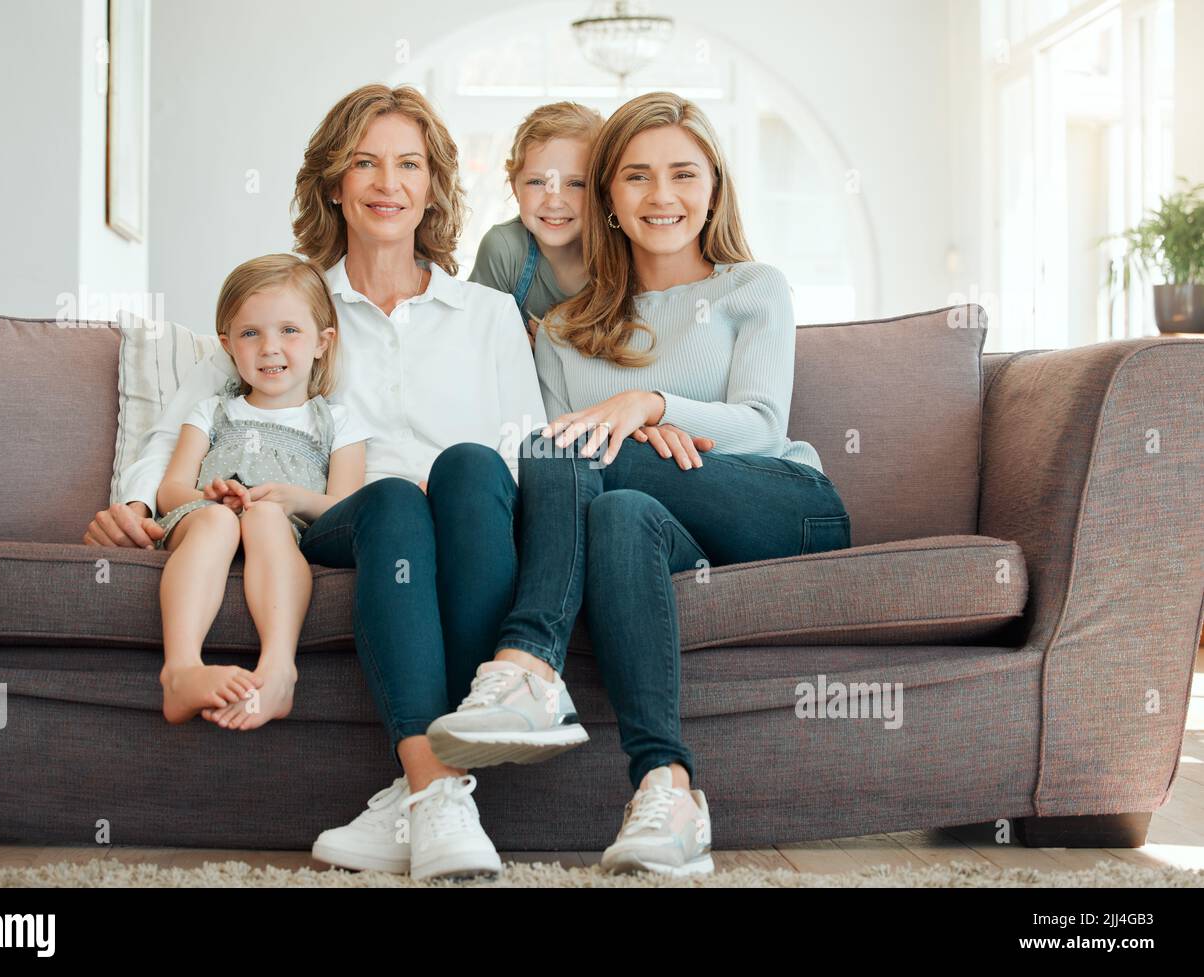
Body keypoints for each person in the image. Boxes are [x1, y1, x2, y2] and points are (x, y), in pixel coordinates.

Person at [87, 85, 547, 881]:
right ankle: (436, 787)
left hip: (469, 516)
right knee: (397, 498)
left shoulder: (487, 315)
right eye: (364, 163)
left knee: (470, 464)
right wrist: (135, 499)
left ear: (433, 185)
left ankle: (413, 791)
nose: (387, 182)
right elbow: (191, 414)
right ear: (334, 182)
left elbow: (524, 454)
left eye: (408, 164)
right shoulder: (291, 305)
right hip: (342, 515)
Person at [427, 91, 853, 877]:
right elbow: (567, 488)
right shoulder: (562, 331)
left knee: (586, 445)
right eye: (638, 178)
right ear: (610, 203)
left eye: (684, 175)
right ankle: (668, 787)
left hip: (780, 503)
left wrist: (647, 405)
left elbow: (759, 423)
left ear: (715, 187)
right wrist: (634, 445)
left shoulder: (752, 288)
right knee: (610, 500)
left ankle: (528, 662)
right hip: (658, 525)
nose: (663, 196)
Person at [155, 254, 369, 731]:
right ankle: (181, 670)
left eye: (289, 331)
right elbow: (169, 490)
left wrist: (292, 499)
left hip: (280, 531)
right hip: (205, 522)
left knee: (266, 517)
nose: (270, 348)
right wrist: (208, 499)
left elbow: (346, 510)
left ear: (322, 342)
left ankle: (277, 668)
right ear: (229, 345)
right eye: (251, 333)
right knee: (218, 521)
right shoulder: (212, 411)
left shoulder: (339, 423)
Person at [468, 102, 602, 342]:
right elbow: (475, 341)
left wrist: (558, 351)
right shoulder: (505, 249)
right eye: (538, 182)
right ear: (515, 188)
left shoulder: (620, 251)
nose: (554, 202)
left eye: (576, 184)